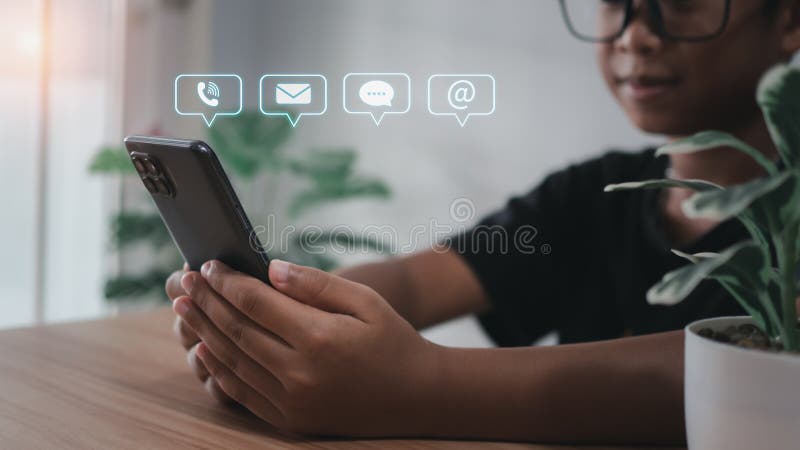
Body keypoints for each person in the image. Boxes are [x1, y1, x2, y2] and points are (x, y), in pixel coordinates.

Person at [165, 0, 800, 444]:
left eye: (682, 2)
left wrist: (416, 386)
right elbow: (423, 281)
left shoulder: (787, 229)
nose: (636, 32)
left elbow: (712, 375)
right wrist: (280, 318)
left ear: (789, 19)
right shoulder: (595, 193)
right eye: (614, 2)